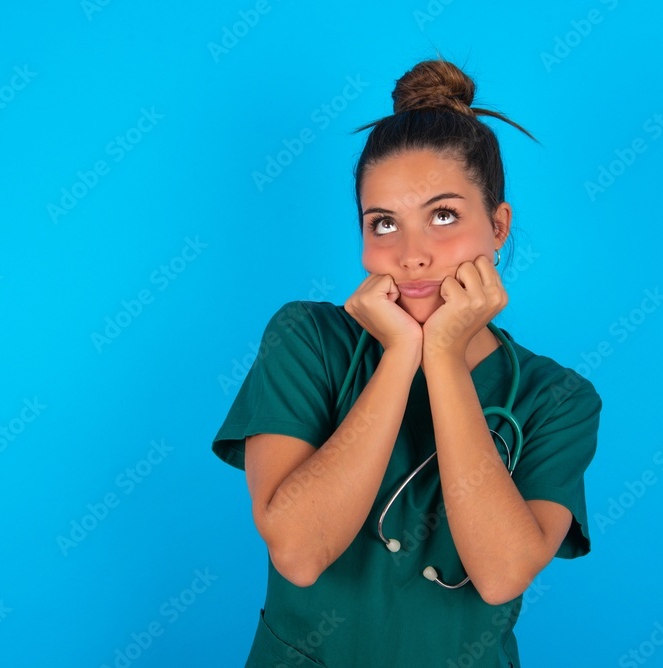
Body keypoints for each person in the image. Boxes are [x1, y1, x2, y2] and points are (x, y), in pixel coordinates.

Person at [212, 57, 603, 667]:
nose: (411, 255)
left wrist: (444, 357)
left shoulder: (559, 399)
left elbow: (501, 574)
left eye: (442, 216)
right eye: (384, 223)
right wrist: (400, 357)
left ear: (498, 226)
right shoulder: (307, 339)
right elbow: (297, 551)